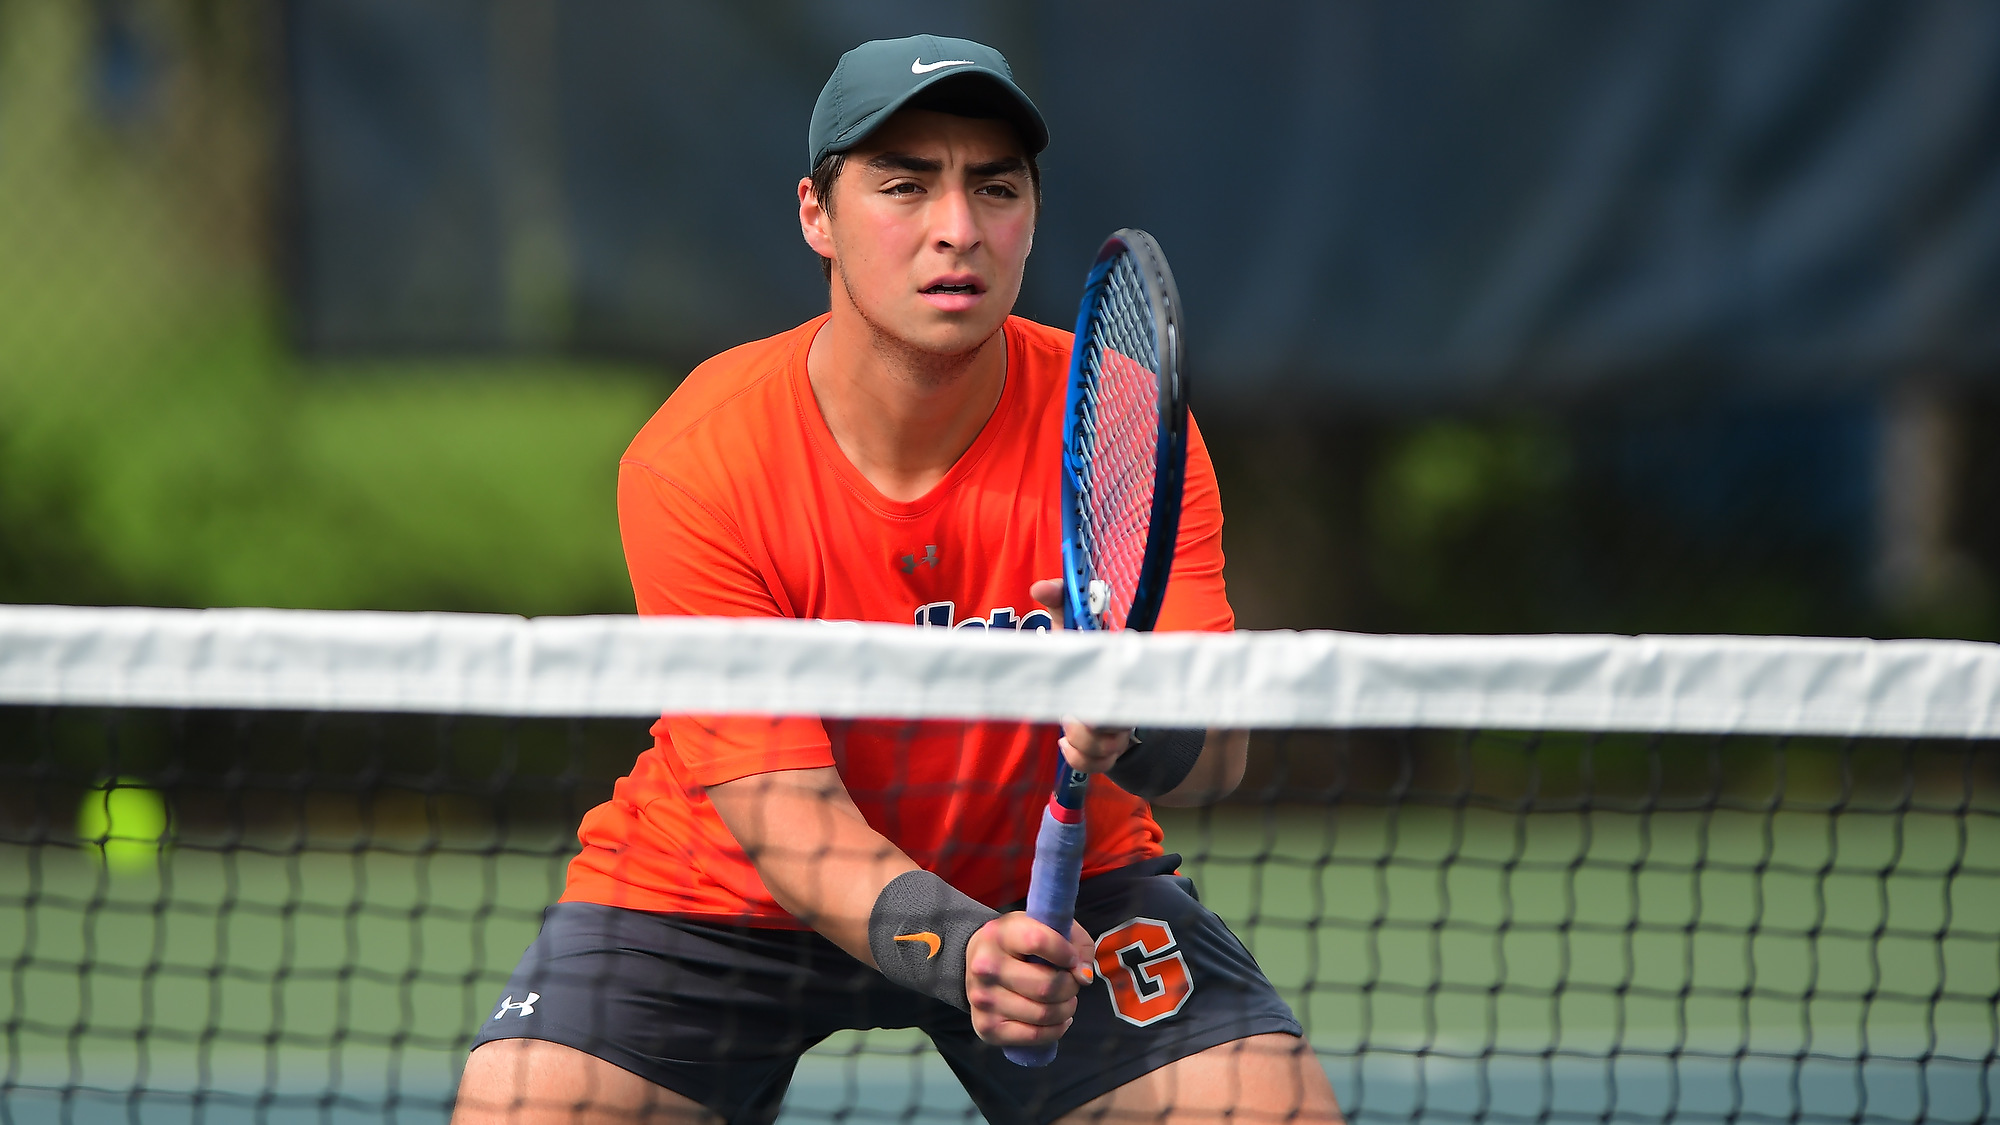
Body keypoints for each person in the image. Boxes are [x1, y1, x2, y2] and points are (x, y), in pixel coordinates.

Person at [453, 34, 1343, 1125]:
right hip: (722, 889)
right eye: (903, 185)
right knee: (531, 1105)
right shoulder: (701, 455)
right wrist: (963, 948)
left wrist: (1141, 723)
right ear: (815, 214)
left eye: (994, 188)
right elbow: (783, 810)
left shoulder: (1118, 423)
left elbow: (1216, 758)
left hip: (1054, 884)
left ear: (1028, 216)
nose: (955, 230)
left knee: (1263, 1111)